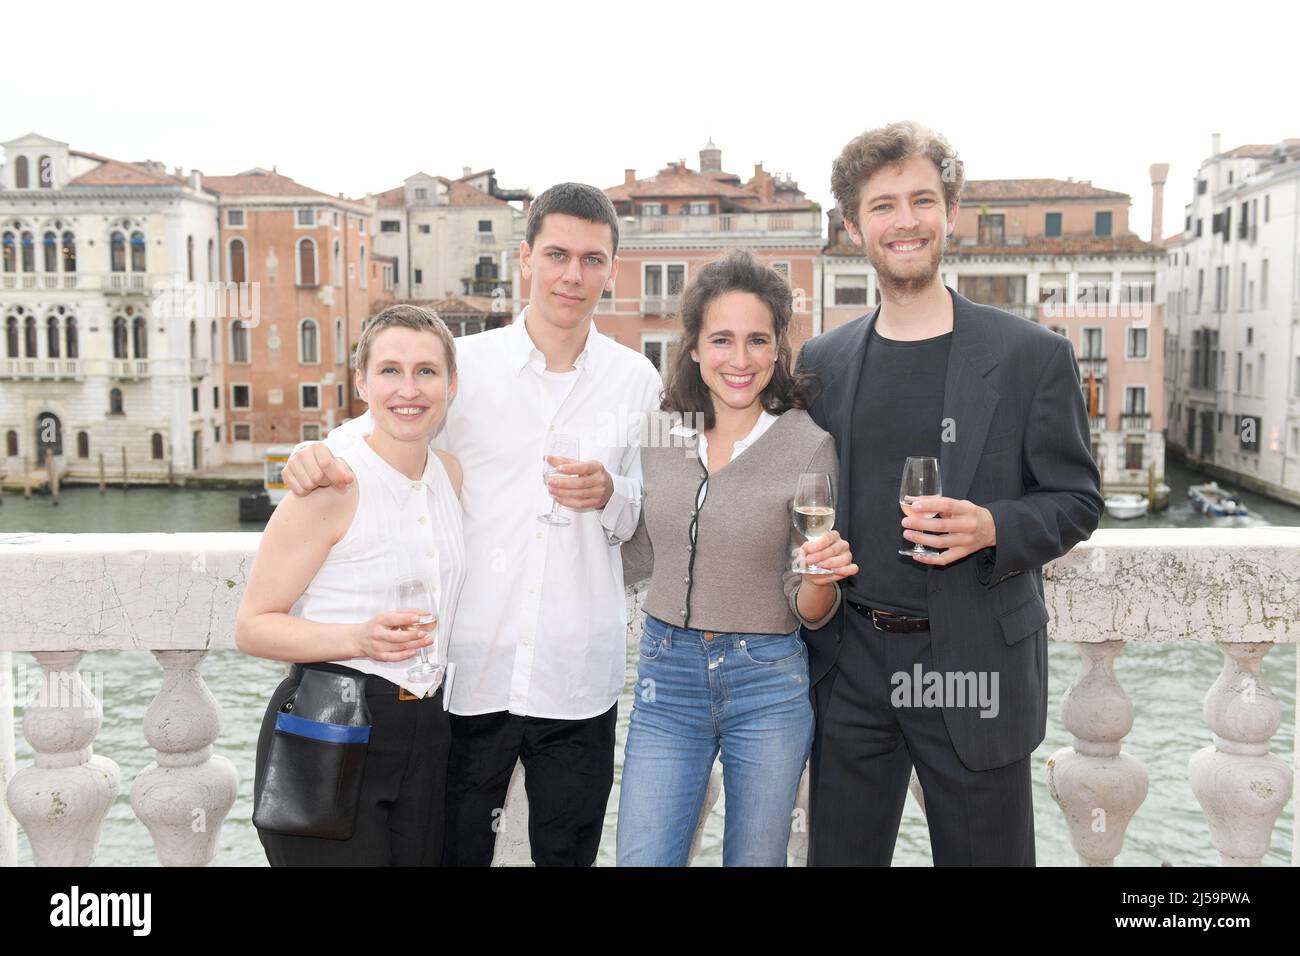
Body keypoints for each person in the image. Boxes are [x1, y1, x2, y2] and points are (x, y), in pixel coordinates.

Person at [281, 183, 663, 866]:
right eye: (556, 255)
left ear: (612, 268)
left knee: (567, 857)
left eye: (592, 259)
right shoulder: (467, 367)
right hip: (466, 671)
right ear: (525, 258)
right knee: (453, 856)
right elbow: (382, 430)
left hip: (577, 674)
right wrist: (310, 454)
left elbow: (646, 511)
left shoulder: (638, 380)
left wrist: (611, 493)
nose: (573, 275)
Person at [799, 121, 1103, 866]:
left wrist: (993, 525)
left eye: (921, 200)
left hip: (975, 666)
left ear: (950, 213)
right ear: (853, 227)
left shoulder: (1033, 355)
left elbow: (1076, 497)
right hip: (852, 663)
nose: (905, 221)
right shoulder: (822, 362)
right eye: (883, 206)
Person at [617, 251, 857, 867]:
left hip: (767, 679)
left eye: (758, 340)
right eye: (722, 339)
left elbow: (811, 609)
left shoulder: (809, 446)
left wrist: (819, 576)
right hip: (665, 676)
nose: (741, 359)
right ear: (694, 346)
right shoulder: (660, 433)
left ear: (778, 349)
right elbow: (639, 552)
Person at [237, 304, 466, 866]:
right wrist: (358, 639)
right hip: (331, 725)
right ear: (361, 381)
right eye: (389, 371)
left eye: (426, 371)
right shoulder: (331, 484)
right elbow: (252, 627)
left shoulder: (450, 475)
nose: (408, 389)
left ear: (450, 385)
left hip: (428, 726)